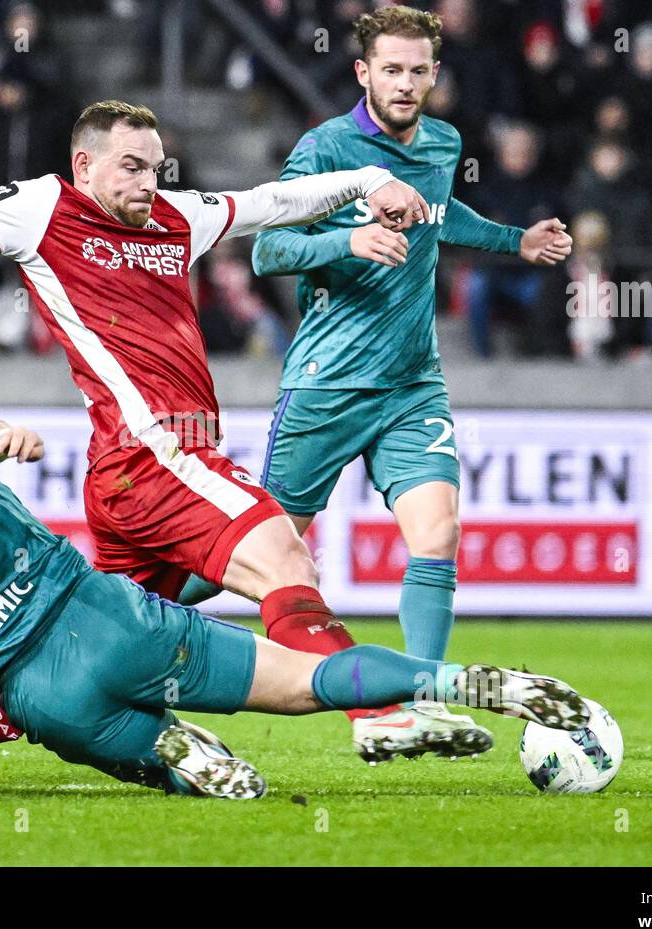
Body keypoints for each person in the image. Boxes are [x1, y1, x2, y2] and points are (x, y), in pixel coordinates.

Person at [0, 98, 431, 760]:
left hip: (128, 475)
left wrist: (371, 181)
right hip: (155, 452)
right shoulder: (41, 210)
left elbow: (273, 203)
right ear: (83, 164)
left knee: (75, 653)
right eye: (131, 167)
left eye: (156, 168)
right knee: (284, 557)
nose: (148, 183)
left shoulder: (177, 218)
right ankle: (377, 713)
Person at [0, 347, 590, 798]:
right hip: (108, 620)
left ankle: (169, 750)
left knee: (173, 768)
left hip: (41, 701)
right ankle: (482, 687)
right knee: (306, 681)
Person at [245, 7, 572, 760]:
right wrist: (348, 237)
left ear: (434, 73)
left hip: (411, 384)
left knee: (440, 533)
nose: (405, 82)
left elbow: (438, 213)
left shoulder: (446, 142)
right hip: (327, 385)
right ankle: (136, 605)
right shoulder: (326, 146)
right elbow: (268, 249)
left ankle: (424, 698)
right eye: (389, 69)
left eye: (418, 70)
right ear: (362, 72)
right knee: (259, 556)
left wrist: (512, 240)